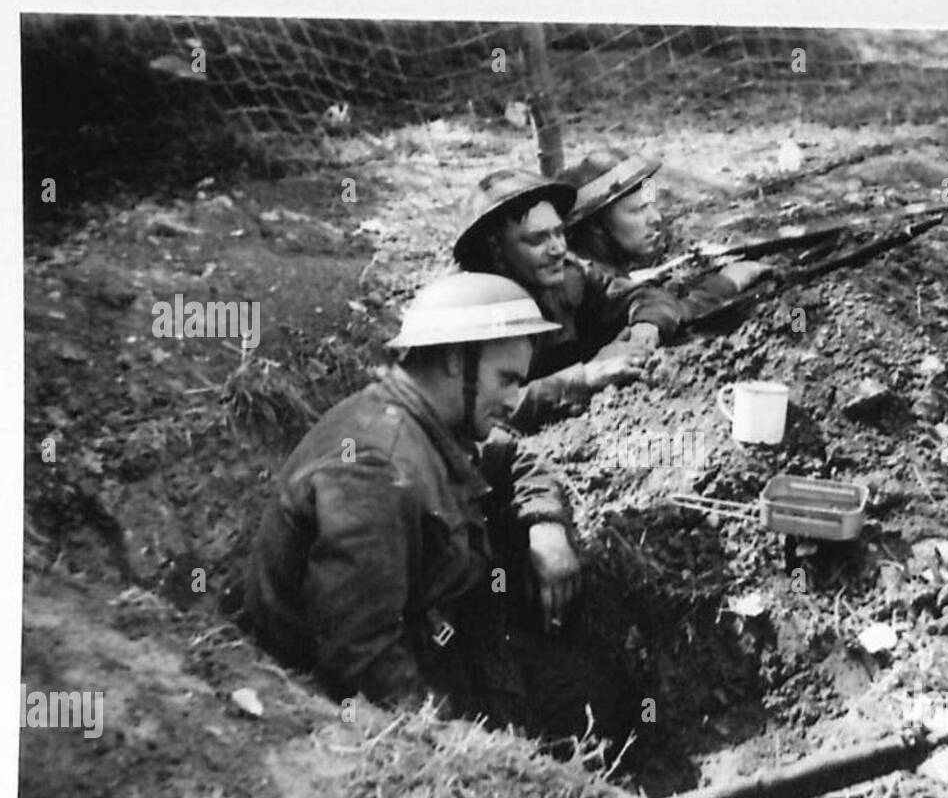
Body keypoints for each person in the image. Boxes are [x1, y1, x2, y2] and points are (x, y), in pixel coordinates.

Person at [243, 272, 632, 741]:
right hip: (361, 707)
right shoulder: (375, 471)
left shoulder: (423, 420)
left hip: (443, 641)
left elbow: (513, 458)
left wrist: (544, 524)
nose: (514, 401)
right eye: (506, 381)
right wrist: (462, 743)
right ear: (453, 360)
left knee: (600, 700)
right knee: (580, 717)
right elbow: (361, 658)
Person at [453, 169, 684, 431]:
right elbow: (475, 414)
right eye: (537, 239)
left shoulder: (568, 275)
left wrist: (645, 329)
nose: (558, 249)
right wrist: (583, 377)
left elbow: (644, 296)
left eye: (558, 233)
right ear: (495, 249)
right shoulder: (470, 313)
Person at [558, 147, 769, 336]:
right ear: (596, 226)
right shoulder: (584, 277)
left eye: (652, 205)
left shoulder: (585, 262)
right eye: (638, 210)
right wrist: (727, 282)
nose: (656, 218)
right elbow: (669, 312)